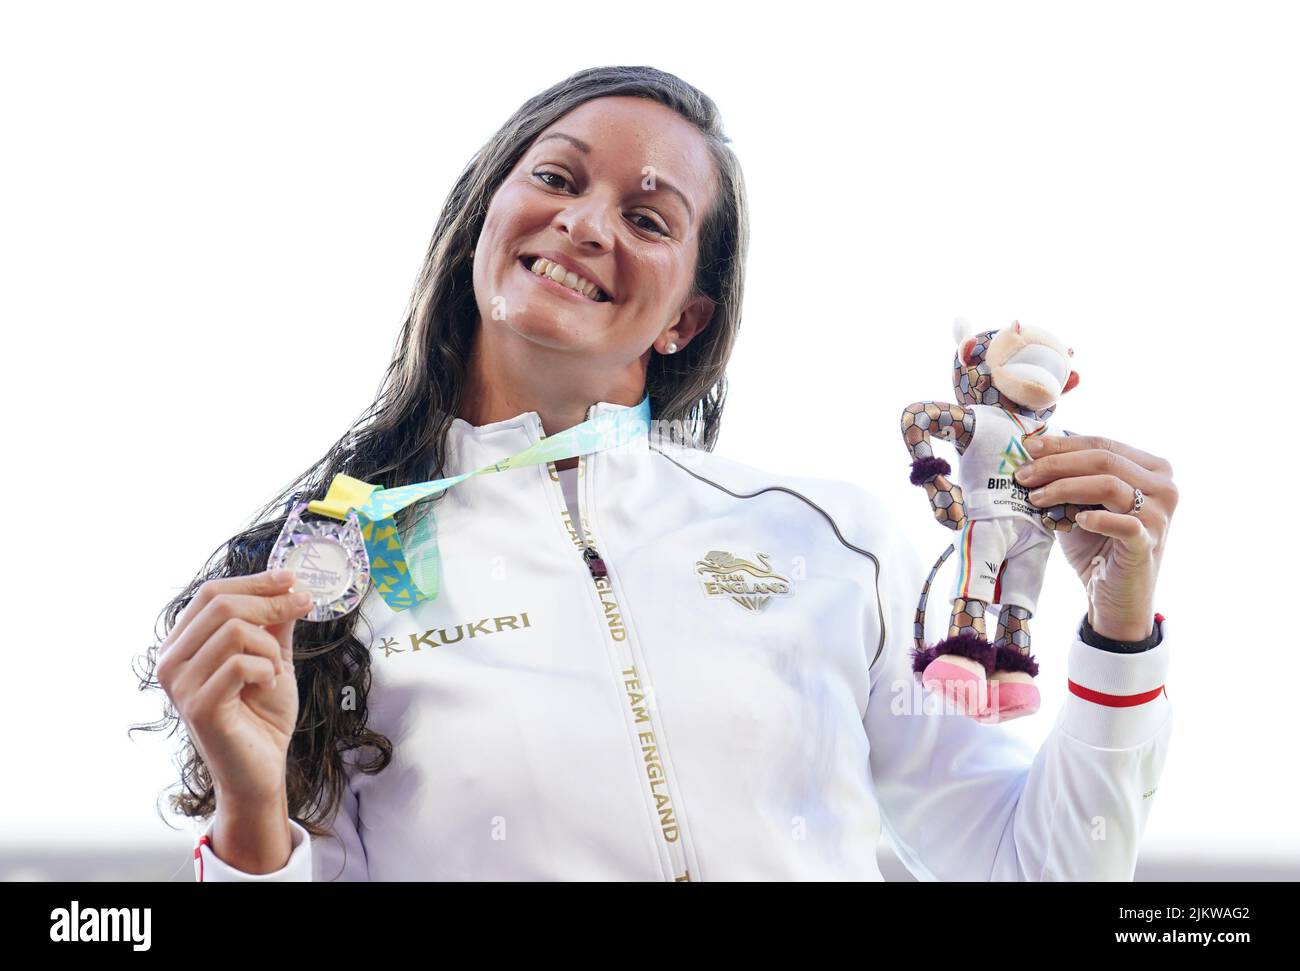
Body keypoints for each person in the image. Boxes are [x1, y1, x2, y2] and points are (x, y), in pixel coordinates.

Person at [140, 65, 1178, 882]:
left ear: (687, 318)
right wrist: (248, 805)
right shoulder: (329, 574)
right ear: (483, 223)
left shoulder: (831, 540)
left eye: (647, 217)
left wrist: (1118, 629)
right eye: (555, 177)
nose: (587, 224)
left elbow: (1040, 867)